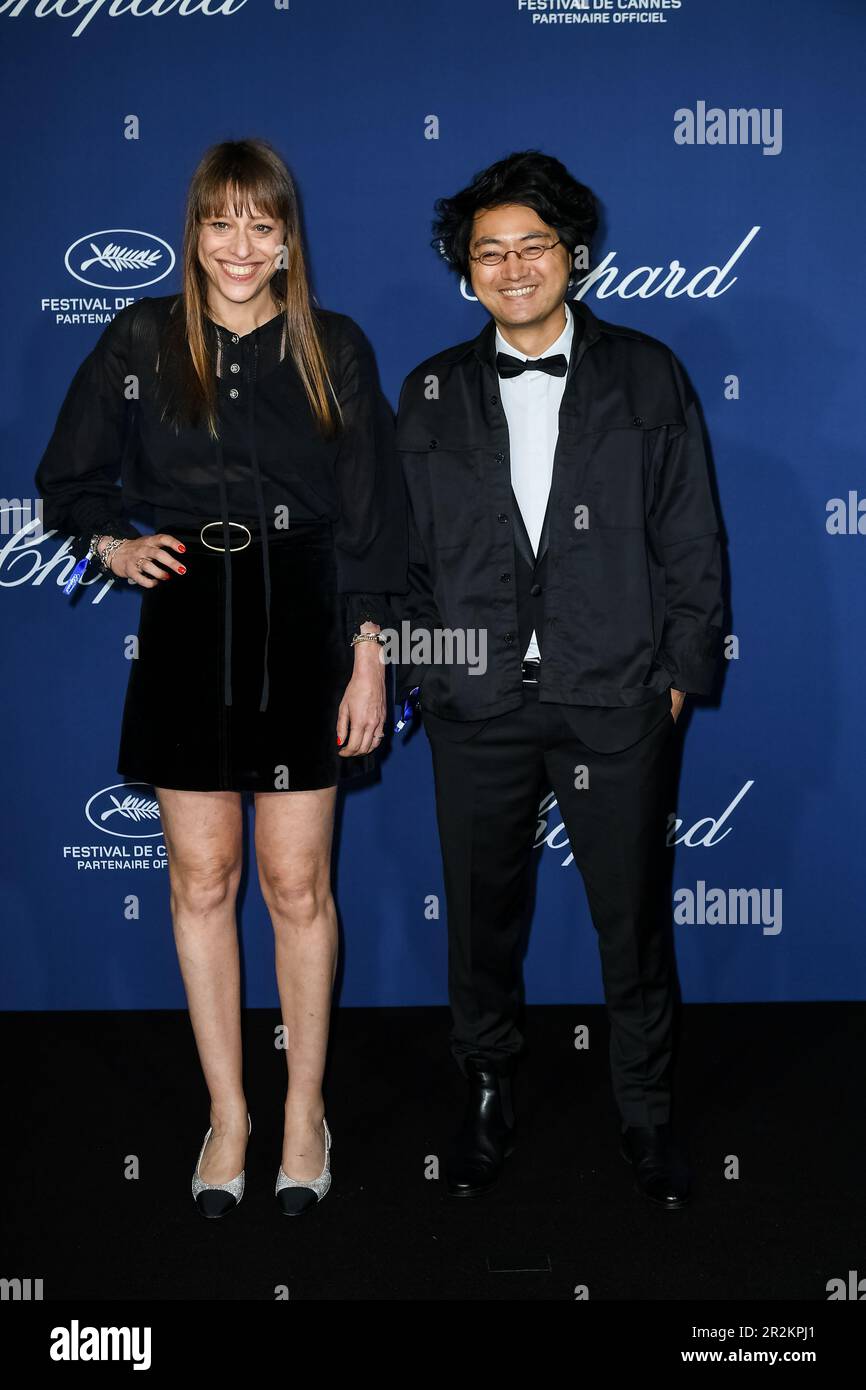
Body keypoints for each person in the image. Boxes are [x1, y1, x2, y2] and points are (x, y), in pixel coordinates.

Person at [35, 138, 407, 1219]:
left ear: (289, 238)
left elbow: (374, 515)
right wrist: (107, 542)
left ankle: (303, 1114)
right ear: (193, 230)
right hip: (189, 614)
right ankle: (229, 1116)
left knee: (297, 887)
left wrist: (371, 651)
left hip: (306, 616)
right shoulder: (140, 337)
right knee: (201, 883)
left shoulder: (334, 346)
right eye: (218, 222)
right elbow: (67, 477)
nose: (238, 245)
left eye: (260, 223)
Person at [393, 149, 724, 1208]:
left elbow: (690, 539)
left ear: (573, 255)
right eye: (487, 251)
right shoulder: (431, 389)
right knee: (480, 922)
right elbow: (403, 561)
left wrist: (676, 676)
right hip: (474, 707)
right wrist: (424, 678)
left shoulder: (648, 373)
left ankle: (644, 1110)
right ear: (466, 270)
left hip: (614, 698)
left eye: (532, 245)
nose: (512, 266)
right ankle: (486, 1094)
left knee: (628, 922)